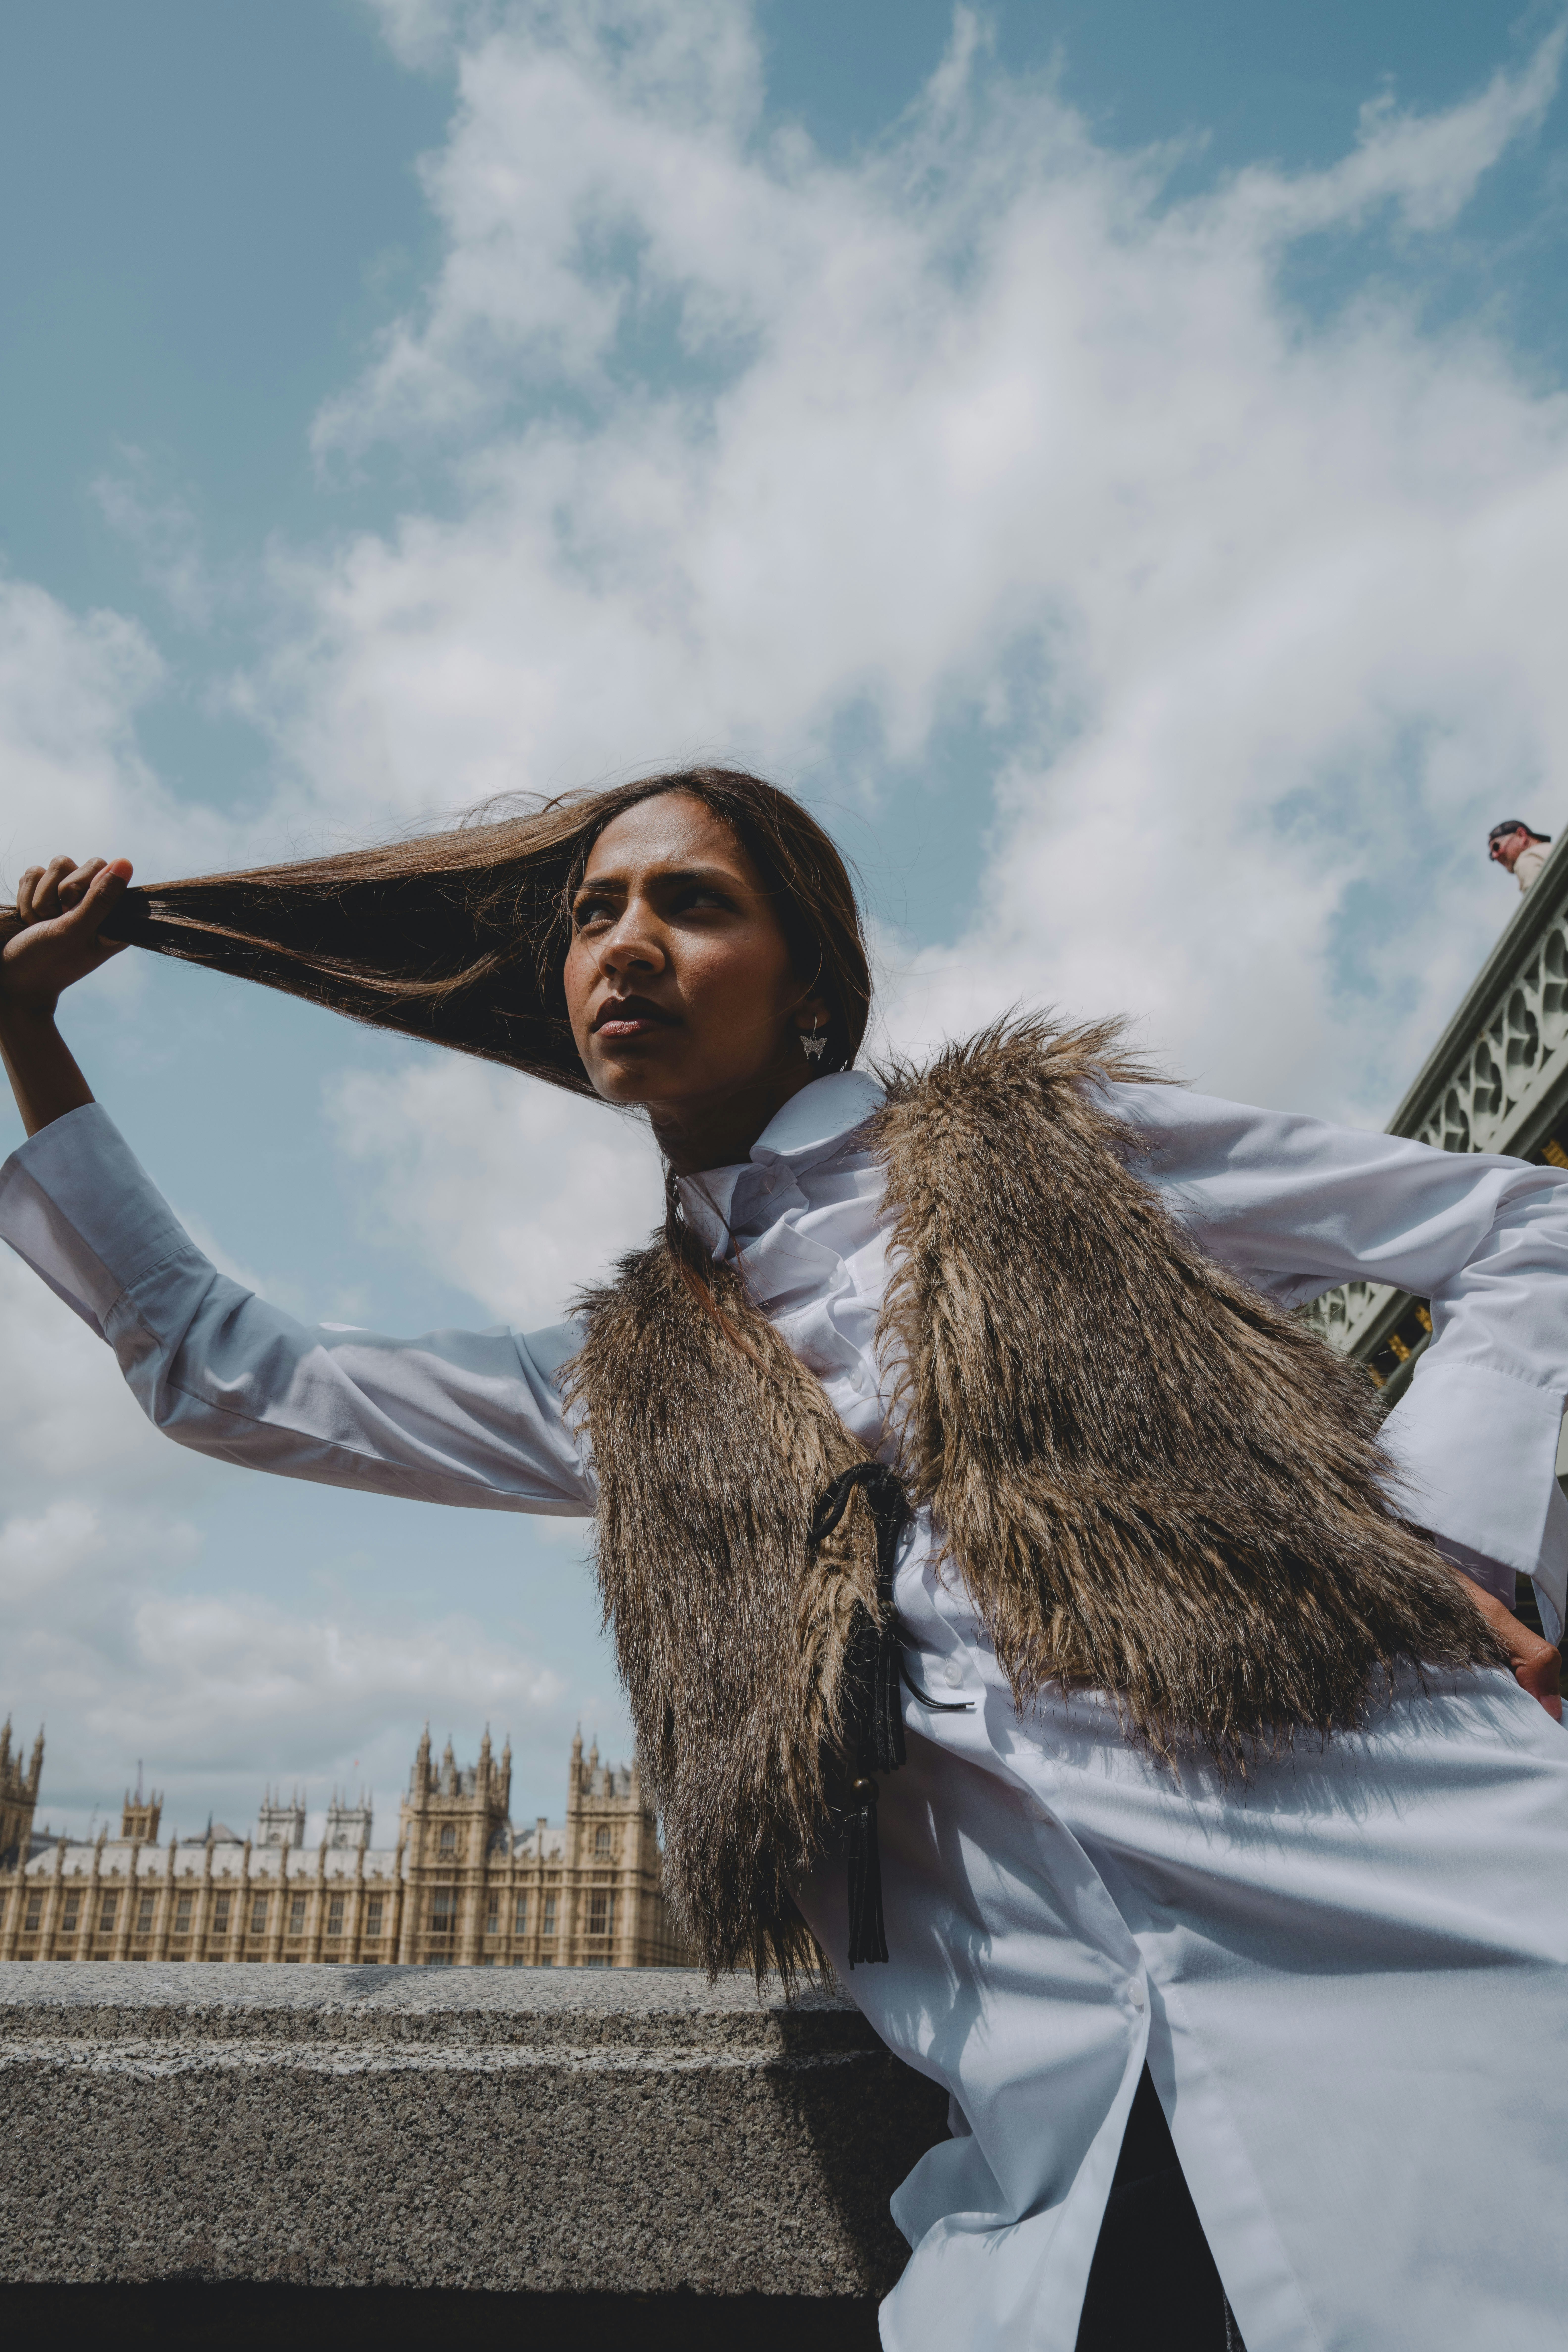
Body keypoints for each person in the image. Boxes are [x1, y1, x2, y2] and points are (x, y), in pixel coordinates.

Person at [2, 767, 1567, 2352]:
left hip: (1427, 1934)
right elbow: (233, 1376)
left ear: (811, 979)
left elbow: (1525, 1228)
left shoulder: (1052, 1147)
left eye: (692, 901)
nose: (626, 942)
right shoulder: (627, 1387)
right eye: (590, 914)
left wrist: (1434, 1554)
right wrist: (30, 1034)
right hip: (1067, 2131)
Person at [1488, 818, 1553, 892]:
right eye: (1491, 856)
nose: (1495, 856)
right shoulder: (1549, 851)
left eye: (1496, 847)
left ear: (1522, 835)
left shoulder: (1527, 860)